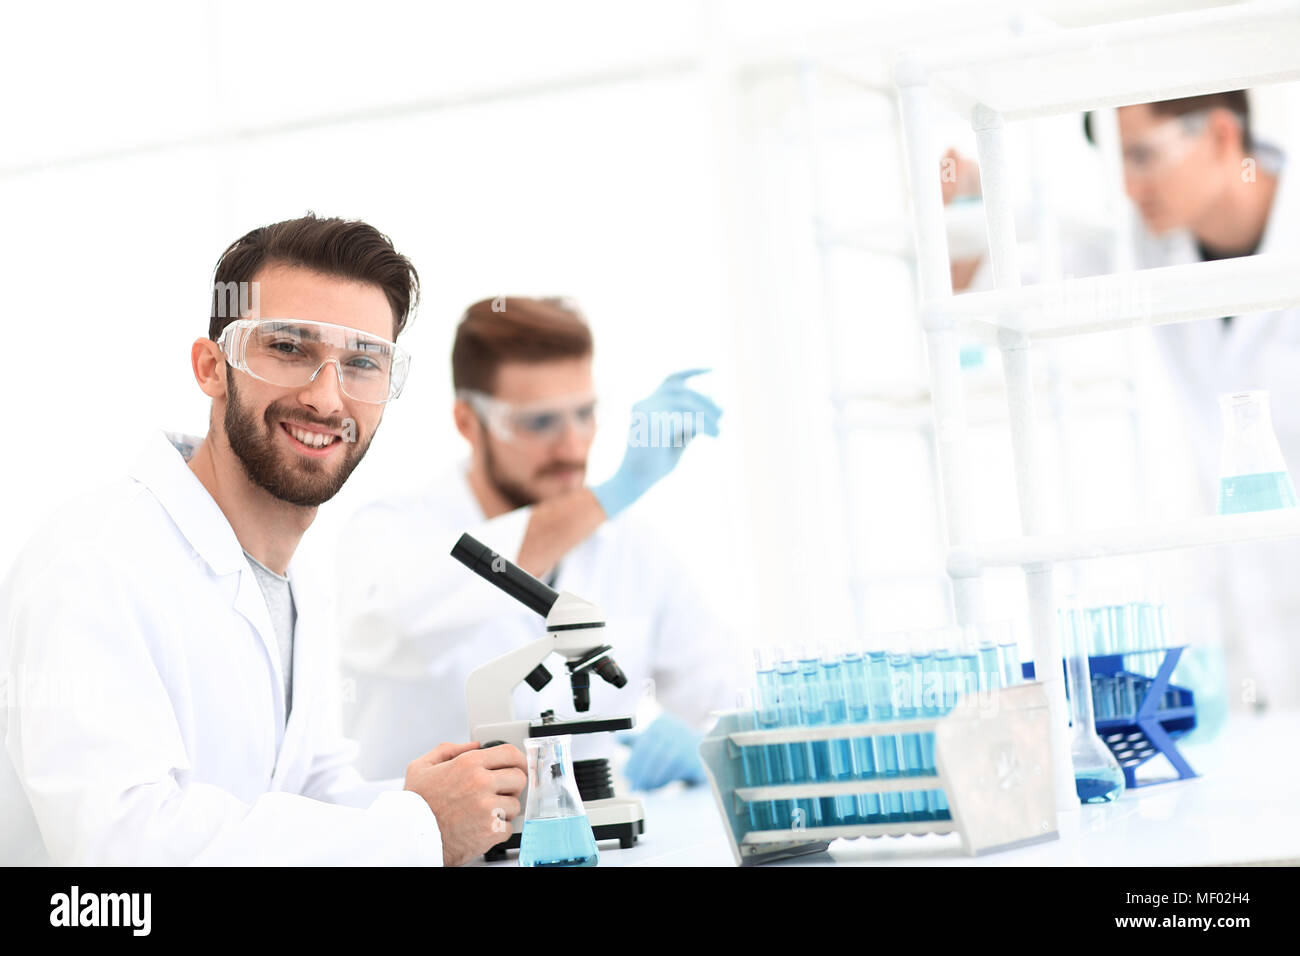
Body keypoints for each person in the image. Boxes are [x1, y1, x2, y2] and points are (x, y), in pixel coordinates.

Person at [0, 214, 525, 866]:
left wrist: (455, 803)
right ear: (211, 367)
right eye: (288, 348)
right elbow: (121, 844)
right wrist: (416, 831)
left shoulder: (290, 573)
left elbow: (301, 790)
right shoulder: (94, 562)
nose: (328, 399)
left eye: (363, 362)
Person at [944, 90, 1300, 714]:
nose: (1131, 188)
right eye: (1117, 163)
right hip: (1249, 638)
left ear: (1221, 136)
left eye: (1142, 157)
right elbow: (990, 298)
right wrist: (967, 206)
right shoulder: (1142, 246)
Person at [337, 296, 737, 788]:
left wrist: (710, 747)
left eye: (584, 414)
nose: (572, 447)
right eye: (540, 423)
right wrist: (613, 493)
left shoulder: (634, 548)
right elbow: (401, 616)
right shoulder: (393, 532)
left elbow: (728, 696)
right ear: (468, 422)